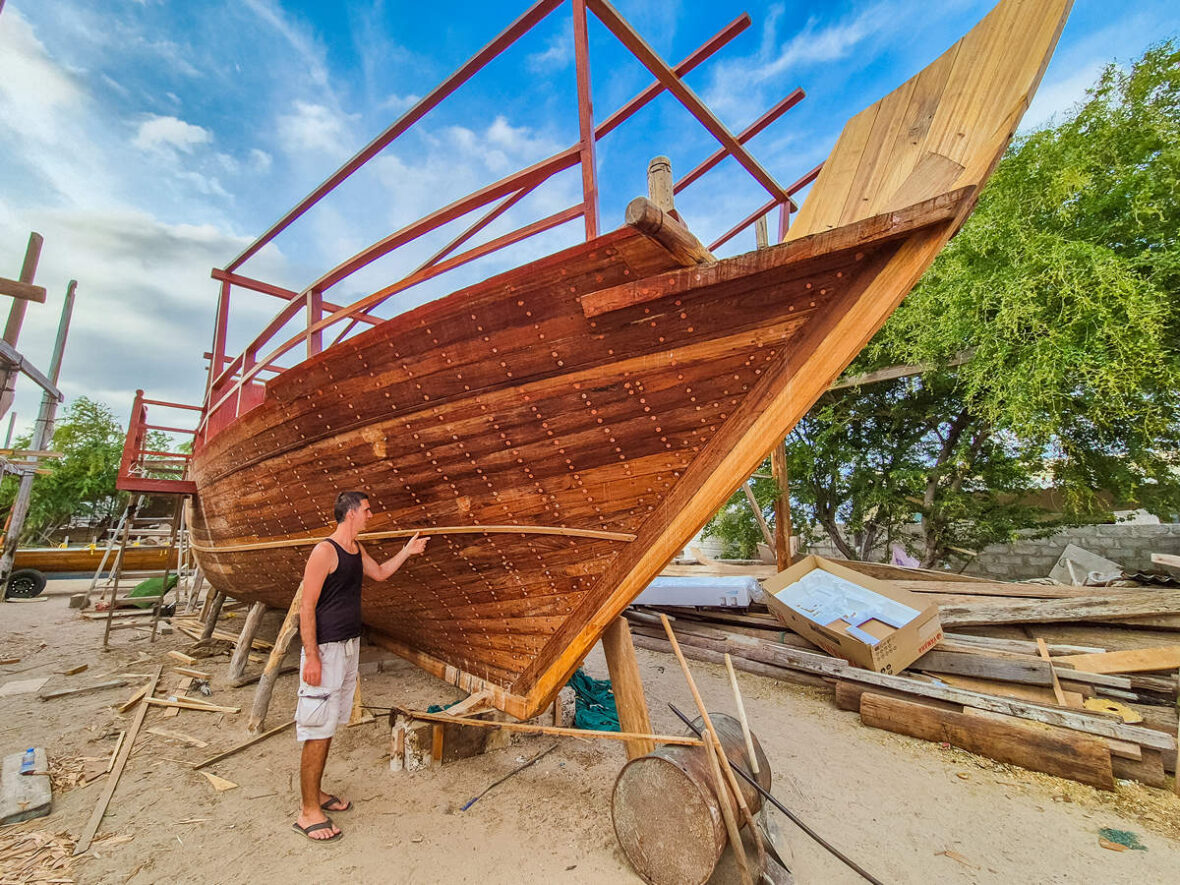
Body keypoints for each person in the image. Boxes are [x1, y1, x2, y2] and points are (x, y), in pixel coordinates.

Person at [292, 490, 428, 842]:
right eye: (366, 510)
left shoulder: (355, 549)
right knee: (317, 728)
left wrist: (407, 551)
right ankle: (308, 812)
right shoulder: (324, 552)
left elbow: (380, 573)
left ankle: (316, 793)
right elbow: (307, 606)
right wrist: (312, 656)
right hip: (326, 650)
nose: (370, 515)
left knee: (329, 725)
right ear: (350, 512)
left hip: (347, 648)